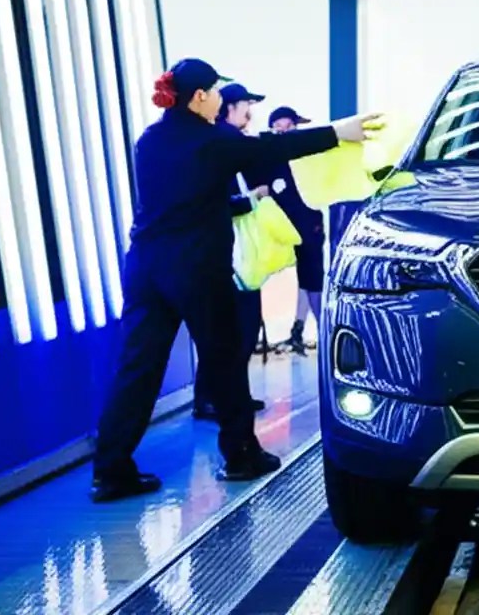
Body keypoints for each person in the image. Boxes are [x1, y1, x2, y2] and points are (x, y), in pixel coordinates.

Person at [90, 57, 378, 502]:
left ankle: (110, 471)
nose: (223, 99)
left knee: (137, 367)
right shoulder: (213, 142)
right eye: (218, 92)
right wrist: (340, 132)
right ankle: (241, 453)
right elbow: (274, 148)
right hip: (196, 268)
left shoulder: (148, 141)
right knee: (224, 359)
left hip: (145, 266)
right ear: (200, 97)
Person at [192, 82, 270, 422]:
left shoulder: (234, 146)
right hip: (224, 256)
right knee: (225, 332)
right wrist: (252, 198)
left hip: (241, 255)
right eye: (245, 104)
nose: (249, 111)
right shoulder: (219, 146)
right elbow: (214, 203)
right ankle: (209, 399)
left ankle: (236, 395)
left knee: (244, 328)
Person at [256, 105, 325, 355]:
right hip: (278, 225)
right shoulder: (266, 155)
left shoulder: (308, 155)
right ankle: (297, 330)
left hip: (309, 223)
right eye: (279, 127)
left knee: (312, 276)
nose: (285, 133)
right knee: (305, 276)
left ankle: (320, 331)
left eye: (290, 127)